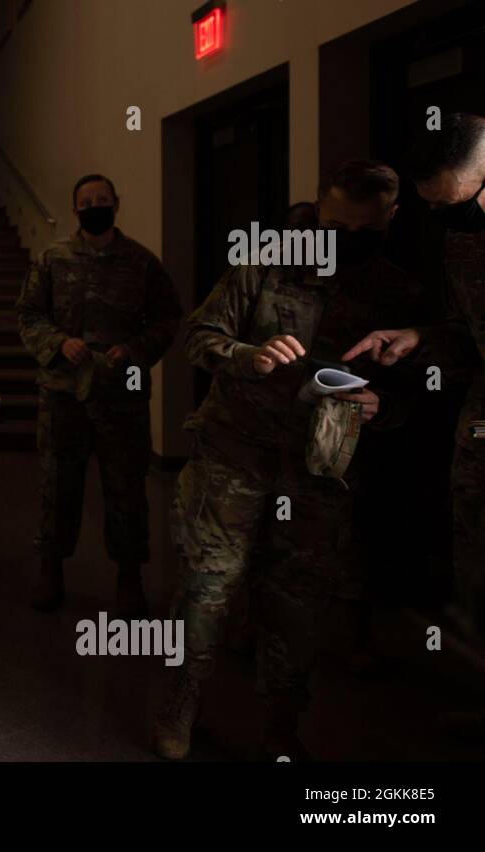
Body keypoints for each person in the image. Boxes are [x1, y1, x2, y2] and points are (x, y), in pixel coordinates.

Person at [155, 159, 425, 761]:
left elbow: (419, 391)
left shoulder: (397, 291)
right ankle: (180, 704)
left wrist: (387, 404)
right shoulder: (266, 261)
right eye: (335, 228)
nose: (346, 244)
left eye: (365, 232)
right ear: (317, 212)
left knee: (298, 609)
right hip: (234, 456)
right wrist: (248, 354)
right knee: (205, 591)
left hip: (317, 475)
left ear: (392, 219)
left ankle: (281, 725)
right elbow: (199, 336)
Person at [345, 113, 485, 681]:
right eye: (432, 207)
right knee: (476, 569)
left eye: (451, 206)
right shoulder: (462, 238)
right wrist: (419, 339)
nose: (442, 218)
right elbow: (467, 334)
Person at [15, 174, 183, 617]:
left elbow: (168, 319)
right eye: (86, 202)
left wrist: (134, 349)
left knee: (127, 488)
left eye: (102, 200)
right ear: (75, 210)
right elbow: (29, 315)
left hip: (121, 395)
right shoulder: (52, 259)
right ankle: (51, 568)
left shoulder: (142, 263)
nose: (95, 206)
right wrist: (56, 343)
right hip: (63, 394)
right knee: (58, 486)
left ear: (116, 205)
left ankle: (130, 577)